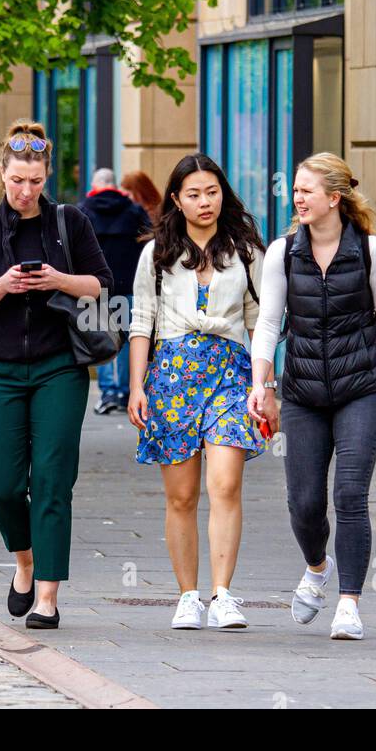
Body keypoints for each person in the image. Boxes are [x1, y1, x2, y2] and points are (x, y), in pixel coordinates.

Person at [0, 119, 113, 630]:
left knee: (52, 479)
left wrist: (58, 279)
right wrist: (3, 284)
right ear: (1, 173)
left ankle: (47, 595)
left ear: (47, 177)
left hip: (58, 366)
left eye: (36, 181)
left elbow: (101, 284)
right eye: (18, 180)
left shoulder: (69, 222)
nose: (26, 190)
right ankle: (24, 559)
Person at [248, 153, 376, 640]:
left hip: (362, 389)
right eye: (296, 190)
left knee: (349, 494)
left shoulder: (371, 251)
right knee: (303, 504)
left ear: (334, 198)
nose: (297, 198)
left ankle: (349, 603)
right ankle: (317, 568)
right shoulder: (283, 253)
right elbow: (268, 324)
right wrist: (262, 385)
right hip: (303, 393)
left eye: (307, 191)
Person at [127, 153, 266, 631]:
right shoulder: (156, 253)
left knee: (224, 484)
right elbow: (141, 322)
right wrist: (136, 387)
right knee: (182, 496)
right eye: (194, 194)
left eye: (212, 192)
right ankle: (188, 595)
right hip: (171, 377)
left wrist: (265, 385)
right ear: (176, 199)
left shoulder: (246, 251)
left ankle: (223, 594)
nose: (205, 202)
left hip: (230, 373)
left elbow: (260, 322)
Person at [78, 167, 151, 414]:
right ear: (115, 185)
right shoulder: (134, 211)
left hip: (96, 287)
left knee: (103, 338)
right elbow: (147, 244)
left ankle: (108, 392)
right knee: (129, 338)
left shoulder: (83, 211)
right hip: (129, 285)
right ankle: (125, 392)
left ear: (94, 185)